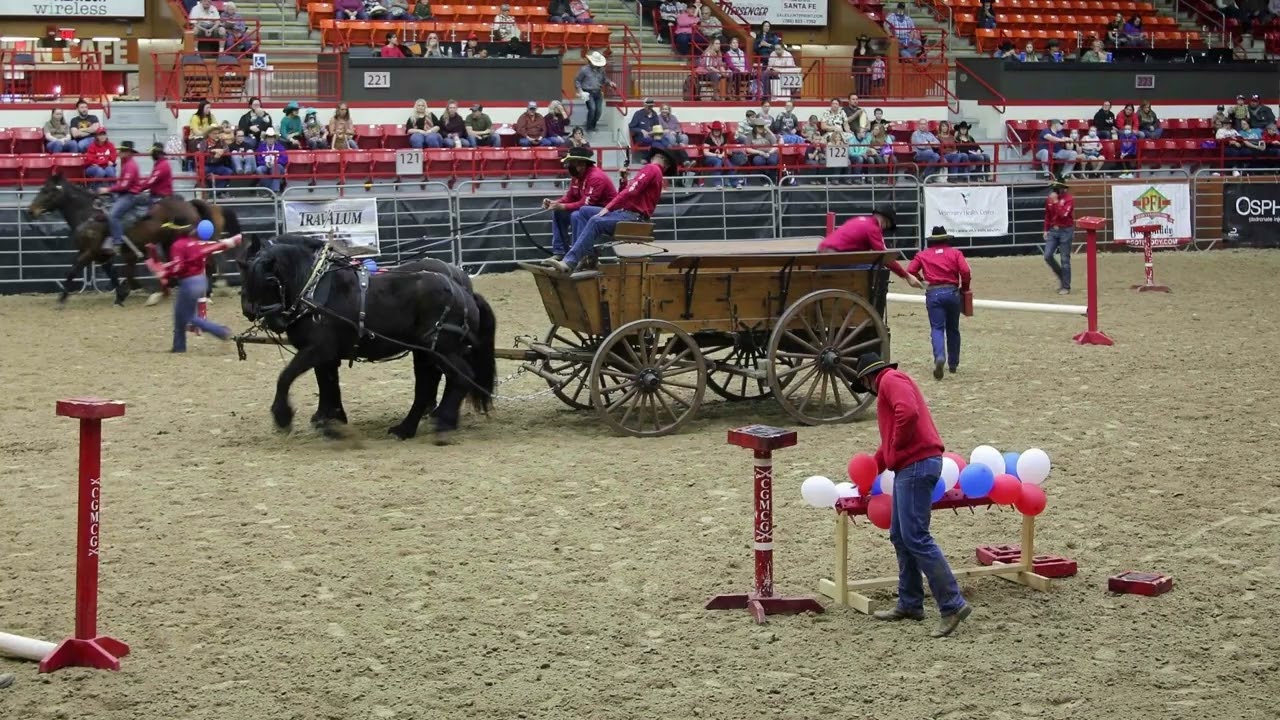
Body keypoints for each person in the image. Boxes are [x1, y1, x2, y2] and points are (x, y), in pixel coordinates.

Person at [849, 352, 972, 638]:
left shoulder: (890, 381)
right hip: (915, 464)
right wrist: (873, 469)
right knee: (902, 535)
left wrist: (896, 447)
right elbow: (887, 446)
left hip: (914, 466)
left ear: (868, 379)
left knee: (915, 536)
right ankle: (910, 603)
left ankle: (952, 604)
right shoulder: (894, 381)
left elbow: (908, 414)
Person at [548, 146, 686, 274]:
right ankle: (585, 257)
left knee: (595, 220)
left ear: (660, 157)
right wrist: (624, 181)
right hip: (631, 214)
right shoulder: (656, 173)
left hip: (632, 216)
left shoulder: (651, 169)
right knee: (583, 211)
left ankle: (570, 261)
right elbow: (631, 193)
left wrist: (608, 208)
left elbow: (631, 192)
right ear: (667, 164)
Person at [907, 226, 971, 379]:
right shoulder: (955, 253)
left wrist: (923, 281)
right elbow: (966, 271)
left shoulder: (922, 255)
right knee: (953, 329)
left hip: (934, 293)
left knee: (937, 328)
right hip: (952, 292)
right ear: (946, 239)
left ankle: (939, 356)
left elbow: (910, 270)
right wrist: (965, 288)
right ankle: (953, 363)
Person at [163, 220, 237, 351]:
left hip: (188, 282)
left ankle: (220, 331)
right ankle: (178, 346)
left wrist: (166, 273)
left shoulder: (178, 245)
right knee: (180, 314)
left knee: (187, 316)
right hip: (200, 280)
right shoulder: (193, 243)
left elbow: (178, 267)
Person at [543, 147, 618, 262]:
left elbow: (586, 203)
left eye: (571, 163)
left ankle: (578, 256)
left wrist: (563, 206)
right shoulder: (577, 176)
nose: (569, 166)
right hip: (589, 210)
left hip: (607, 213)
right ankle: (560, 252)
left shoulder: (596, 178)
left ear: (582, 163)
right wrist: (555, 203)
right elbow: (570, 197)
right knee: (559, 212)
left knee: (577, 215)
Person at [817, 209, 920, 286]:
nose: (884, 229)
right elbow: (884, 257)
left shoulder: (859, 220)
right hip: (836, 260)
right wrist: (906, 276)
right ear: (884, 221)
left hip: (824, 257)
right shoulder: (873, 228)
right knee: (878, 269)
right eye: (887, 226)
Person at [99, 140, 145, 252]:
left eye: (123, 151)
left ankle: (117, 242)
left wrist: (108, 189)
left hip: (130, 195)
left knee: (113, 215)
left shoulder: (130, 166)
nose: (120, 153)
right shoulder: (127, 164)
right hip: (125, 193)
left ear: (129, 152)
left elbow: (124, 185)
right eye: (121, 150)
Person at [1043, 179, 1073, 295]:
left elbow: (1064, 215)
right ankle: (1062, 275)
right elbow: (1047, 215)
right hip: (1053, 230)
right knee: (1047, 255)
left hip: (1065, 230)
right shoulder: (1049, 200)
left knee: (1065, 259)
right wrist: (1045, 229)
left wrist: (1055, 202)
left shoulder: (1069, 199)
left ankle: (1066, 285)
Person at [575, 51, 616, 132]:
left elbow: (604, 79)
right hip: (587, 92)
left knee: (599, 111)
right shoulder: (584, 69)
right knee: (592, 109)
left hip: (598, 91)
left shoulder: (601, 70)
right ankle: (589, 127)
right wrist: (580, 90)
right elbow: (577, 80)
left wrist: (610, 83)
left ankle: (592, 125)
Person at [256, 127, 289, 193]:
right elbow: (258, 158)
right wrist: (265, 163)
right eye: (269, 137)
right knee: (259, 170)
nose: (270, 139)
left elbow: (285, 158)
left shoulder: (280, 147)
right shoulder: (261, 147)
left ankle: (274, 191)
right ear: (266, 138)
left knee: (276, 168)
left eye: (272, 137)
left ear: (274, 138)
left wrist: (275, 162)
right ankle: (273, 188)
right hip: (265, 165)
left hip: (277, 165)